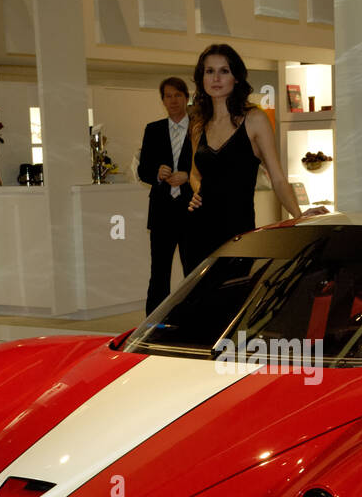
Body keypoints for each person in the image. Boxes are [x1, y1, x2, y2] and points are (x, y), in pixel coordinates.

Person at [184, 43, 326, 273]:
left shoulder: (254, 119)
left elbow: (277, 178)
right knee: (199, 306)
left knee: (234, 302)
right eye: (209, 71)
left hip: (238, 234)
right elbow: (194, 173)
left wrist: (298, 216)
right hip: (198, 230)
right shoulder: (199, 125)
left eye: (224, 71)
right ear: (201, 78)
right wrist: (197, 192)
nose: (216, 78)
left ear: (236, 78)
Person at [137, 76, 194, 314]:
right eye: (168, 96)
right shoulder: (154, 129)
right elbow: (143, 170)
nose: (173, 100)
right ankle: (151, 325)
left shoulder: (200, 127)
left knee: (194, 271)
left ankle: (194, 322)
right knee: (159, 273)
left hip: (192, 211)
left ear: (186, 98)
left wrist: (188, 176)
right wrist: (156, 172)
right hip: (161, 213)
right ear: (162, 100)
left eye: (178, 95)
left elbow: (211, 168)